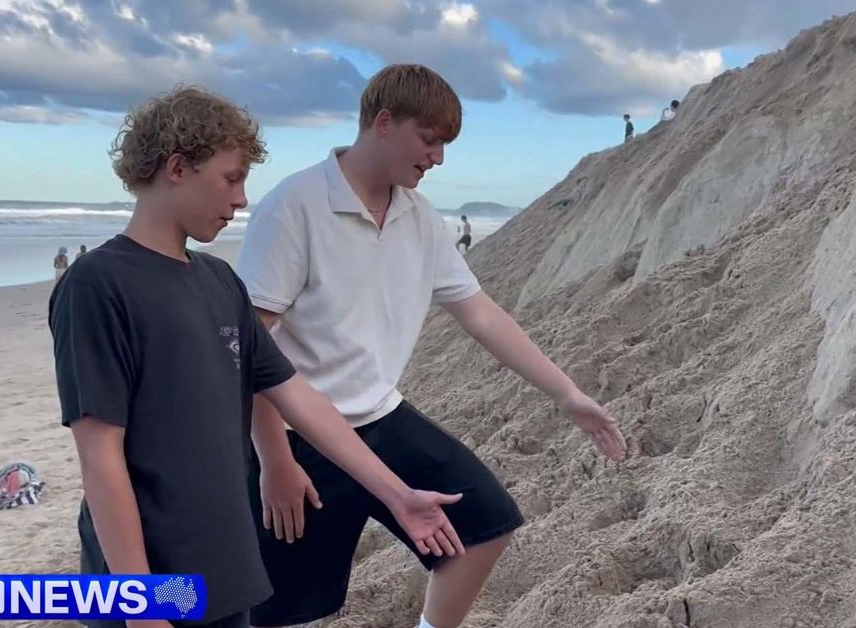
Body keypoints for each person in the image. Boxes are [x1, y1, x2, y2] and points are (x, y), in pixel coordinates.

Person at [49, 85, 465, 628]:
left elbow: (300, 399)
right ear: (177, 167)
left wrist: (397, 494)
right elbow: (99, 458)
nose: (241, 199)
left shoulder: (219, 281)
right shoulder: (98, 285)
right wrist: (140, 607)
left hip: (226, 567)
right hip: (147, 582)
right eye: (231, 178)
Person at [237, 63, 627, 628]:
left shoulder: (419, 216)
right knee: (283, 607)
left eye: (444, 143)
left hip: (380, 415)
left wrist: (567, 394)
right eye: (430, 139)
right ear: (385, 123)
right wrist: (272, 459)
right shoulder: (292, 206)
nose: (438, 157)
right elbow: (252, 347)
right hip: (298, 433)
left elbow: (482, 315)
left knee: (484, 525)